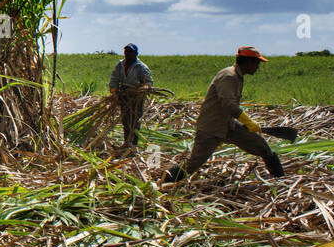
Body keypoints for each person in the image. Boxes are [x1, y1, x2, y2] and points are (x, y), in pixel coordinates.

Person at [162, 47, 284, 184]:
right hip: (211, 127)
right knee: (194, 163)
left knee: (261, 145)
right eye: (257, 63)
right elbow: (228, 104)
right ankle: (165, 182)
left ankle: (280, 179)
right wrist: (248, 122)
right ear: (248, 62)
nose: (257, 67)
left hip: (228, 125)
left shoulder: (236, 76)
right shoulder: (229, 76)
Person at [108, 43, 153, 148]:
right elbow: (114, 79)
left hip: (136, 98)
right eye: (126, 52)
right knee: (125, 120)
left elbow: (148, 82)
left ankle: (133, 145)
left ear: (136, 54)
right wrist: (115, 92)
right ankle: (126, 143)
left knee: (135, 120)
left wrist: (142, 89)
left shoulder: (141, 67)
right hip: (123, 96)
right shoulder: (120, 65)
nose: (127, 54)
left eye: (130, 52)